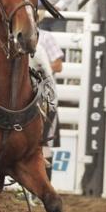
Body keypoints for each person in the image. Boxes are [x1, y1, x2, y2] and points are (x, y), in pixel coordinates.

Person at [30, 28, 65, 179]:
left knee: (43, 143)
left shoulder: (42, 43)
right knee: (41, 143)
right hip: (36, 98)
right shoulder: (36, 47)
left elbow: (57, 66)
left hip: (43, 100)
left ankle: (44, 184)